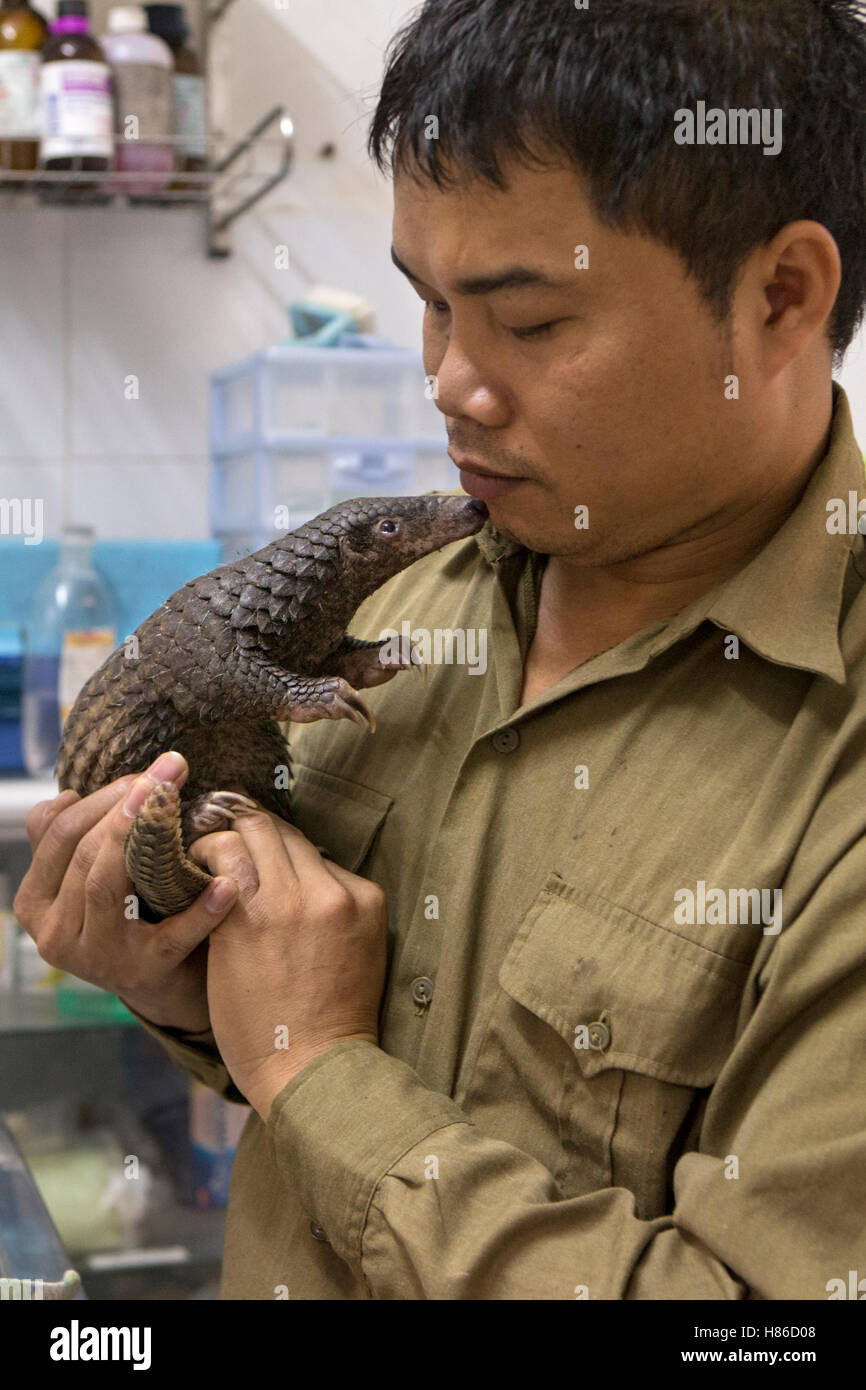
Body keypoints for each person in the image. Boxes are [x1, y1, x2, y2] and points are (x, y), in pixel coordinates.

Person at [14, 0, 866, 1299]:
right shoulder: (415, 604)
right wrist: (185, 982)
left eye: (526, 322)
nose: (451, 385)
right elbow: (317, 1004)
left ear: (780, 296)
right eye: (429, 307)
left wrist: (313, 1068)